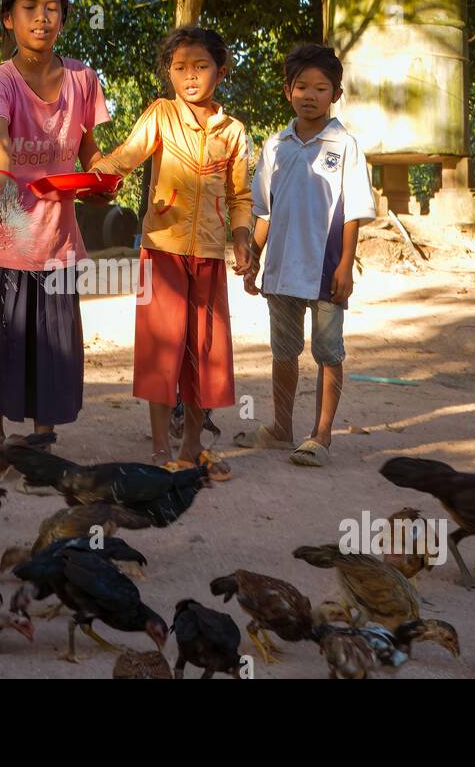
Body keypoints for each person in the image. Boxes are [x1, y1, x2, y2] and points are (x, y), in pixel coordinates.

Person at [0, 0, 110, 442]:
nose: (42, 17)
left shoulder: (83, 79)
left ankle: (43, 440)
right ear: (7, 19)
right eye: (29, 8)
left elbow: (91, 148)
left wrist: (102, 175)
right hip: (3, 236)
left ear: (63, 18)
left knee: (51, 345)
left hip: (57, 238)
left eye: (52, 8)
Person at [91, 26, 251, 469]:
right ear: (169, 74)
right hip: (161, 250)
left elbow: (241, 196)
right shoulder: (161, 114)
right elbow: (126, 156)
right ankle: (160, 448)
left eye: (201, 66)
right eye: (180, 68)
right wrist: (90, 179)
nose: (191, 76)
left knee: (205, 351)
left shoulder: (233, 132)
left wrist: (242, 237)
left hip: (209, 256)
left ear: (220, 72)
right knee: (162, 349)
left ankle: (191, 446)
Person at [235, 43, 377, 467]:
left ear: (336, 93)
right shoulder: (276, 146)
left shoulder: (346, 146)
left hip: (325, 271)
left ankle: (321, 434)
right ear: (287, 91)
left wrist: (345, 265)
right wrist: (252, 255)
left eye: (321, 87)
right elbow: (264, 211)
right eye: (302, 86)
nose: (310, 94)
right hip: (280, 272)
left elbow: (353, 212)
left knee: (328, 352)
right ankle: (281, 428)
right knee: (283, 353)